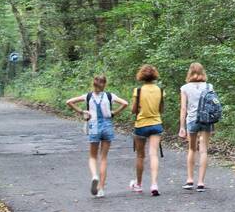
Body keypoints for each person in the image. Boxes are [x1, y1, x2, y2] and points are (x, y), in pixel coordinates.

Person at [66, 76, 128, 197]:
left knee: (92, 156)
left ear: (93, 84)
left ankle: (94, 176)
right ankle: (101, 189)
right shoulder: (110, 96)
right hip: (107, 125)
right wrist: (114, 112)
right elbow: (125, 103)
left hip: (93, 126)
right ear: (104, 84)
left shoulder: (87, 96)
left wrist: (82, 112)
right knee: (103, 158)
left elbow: (69, 102)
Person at [129, 65, 164, 196]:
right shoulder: (160, 90)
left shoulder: (138, 91)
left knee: (140, 155)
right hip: (156, 124)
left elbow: (134, 110)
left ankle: (138, 184)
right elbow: (161, 109)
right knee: (153, 154)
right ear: (155, 75)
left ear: (141, 75)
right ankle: (154, 184)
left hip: (141, 125)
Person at [179, 62, 213, 192]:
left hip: (192, 120)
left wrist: (182, 126)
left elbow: (183, 108)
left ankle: (189, 180)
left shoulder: (185, 88)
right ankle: (201, 183)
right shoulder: (209, 86)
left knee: (192, 149)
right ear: (202, 72)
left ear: (190, 72)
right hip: (206, 120)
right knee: (203, 150)